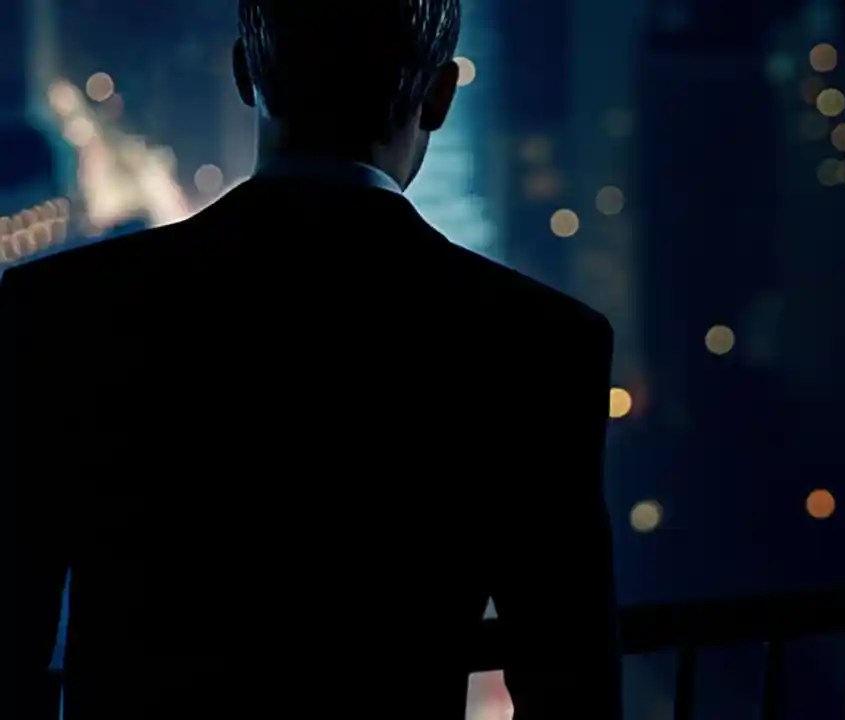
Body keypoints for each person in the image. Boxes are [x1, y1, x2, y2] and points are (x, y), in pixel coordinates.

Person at [1, 1, 622, 718]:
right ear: (441, 95)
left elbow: (12, 633)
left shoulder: (66, 311)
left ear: (245, 72)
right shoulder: (537, 346)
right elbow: (570, 683)